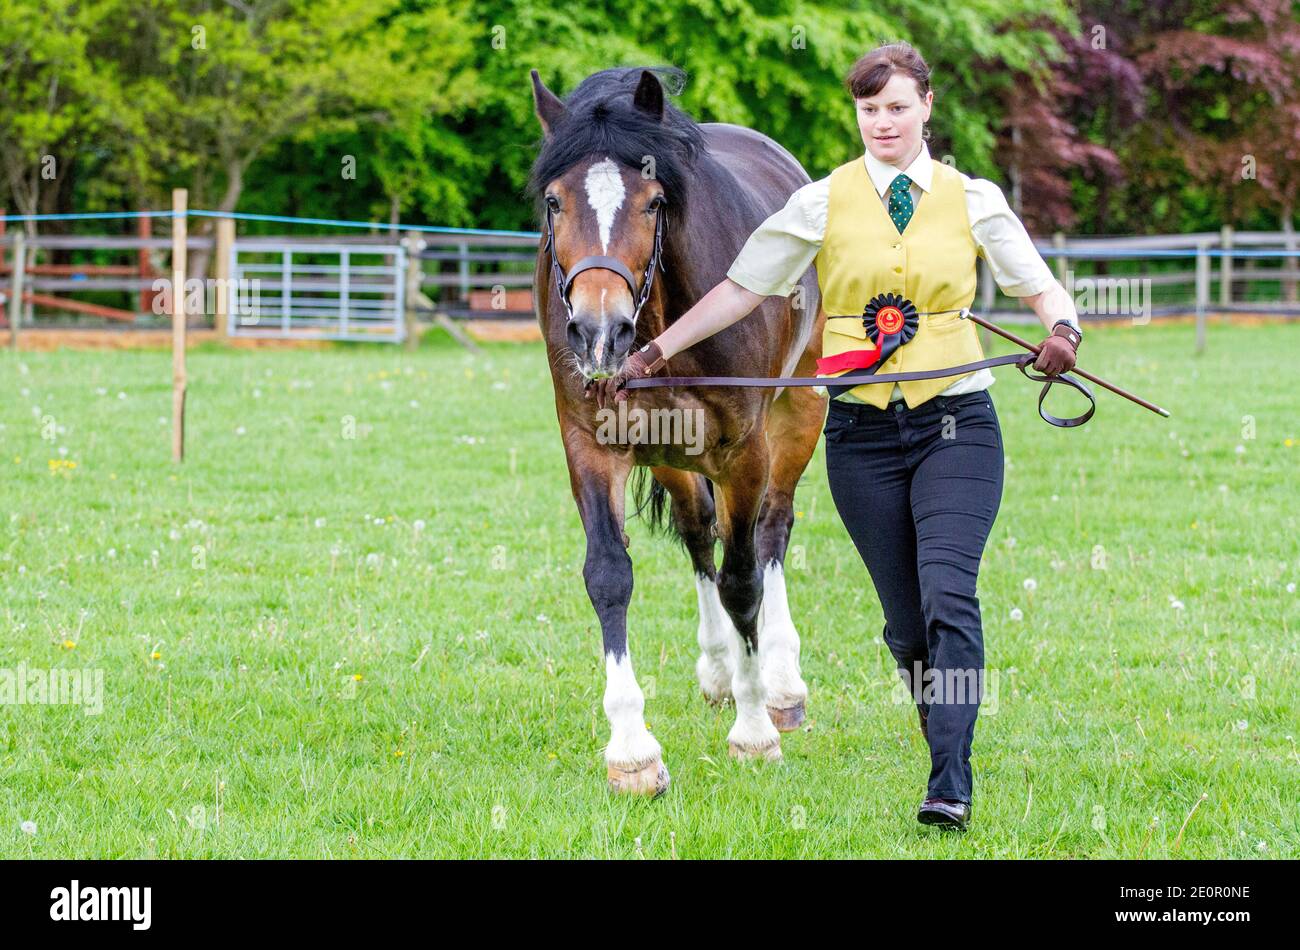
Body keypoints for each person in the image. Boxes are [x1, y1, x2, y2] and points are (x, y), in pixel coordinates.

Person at [594, 41, 1083, 830]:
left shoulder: (973, 199)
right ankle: (937, 715)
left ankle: (949, 780)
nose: (883, 122)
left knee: (949, 591)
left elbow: (1039, 283)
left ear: (926, 107)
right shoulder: (820, 203)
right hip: (861, 435)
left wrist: (1062, 329)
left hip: (957, 422)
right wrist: (655, 351)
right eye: (869, 109)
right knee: (906, 622)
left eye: (897, 107)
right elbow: (740, 288)